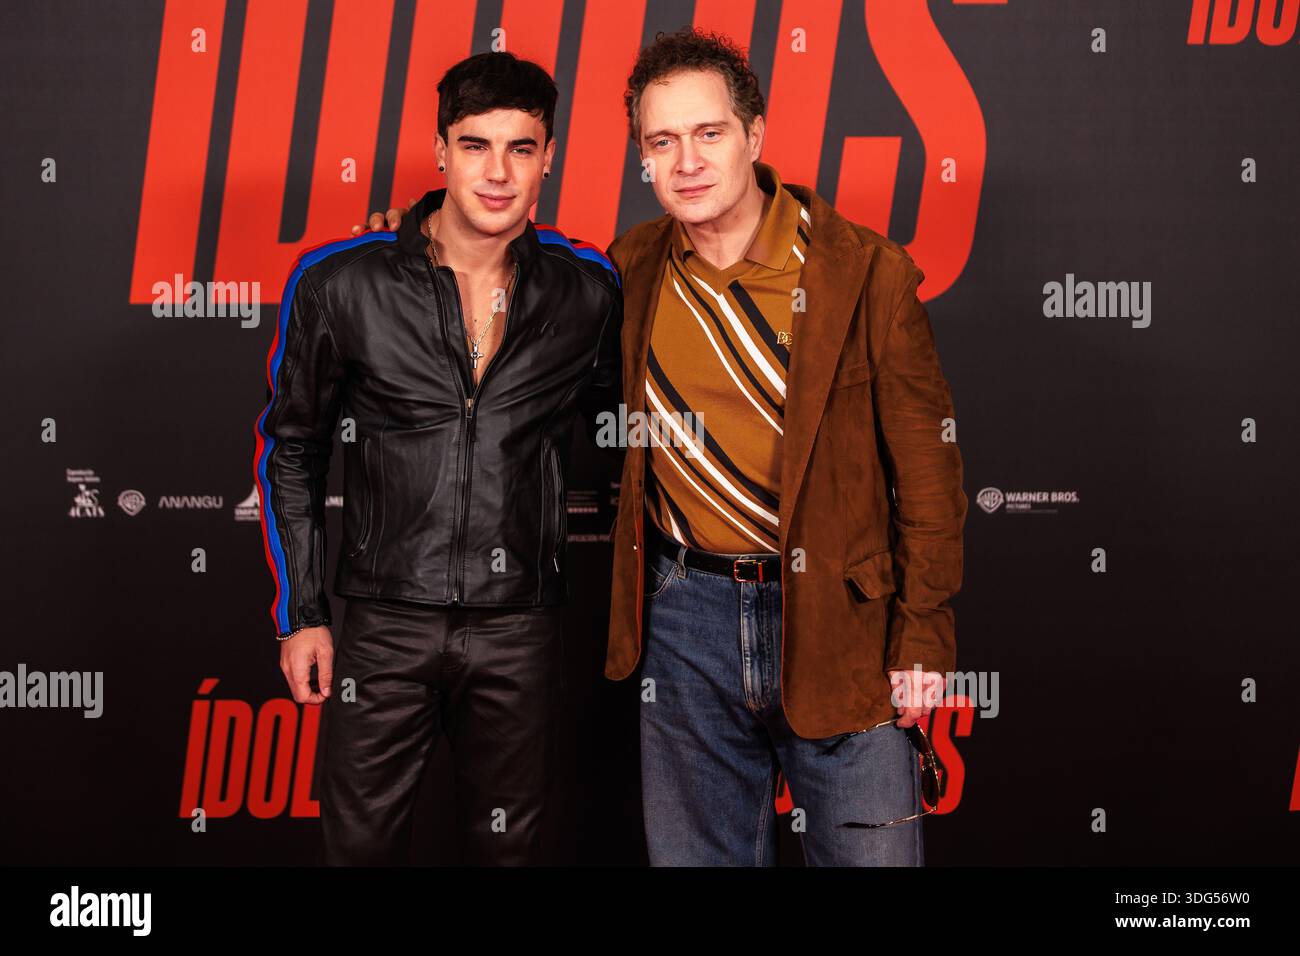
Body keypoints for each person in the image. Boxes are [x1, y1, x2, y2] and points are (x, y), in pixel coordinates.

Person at [359, 28, 966, 867]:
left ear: (754, 136)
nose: (686, 160)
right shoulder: (630, 270)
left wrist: (923, 637)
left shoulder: (865, 275)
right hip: (684, 620)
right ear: (641, 155)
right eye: (661, 141)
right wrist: (407, 250)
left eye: (708, 133)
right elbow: (510, 290)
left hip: (841, 620)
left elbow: (930, 481)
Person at [255, 50, 622, 865]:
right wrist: (304, 613)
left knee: (510, 855)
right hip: (385, 626)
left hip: (520, 627)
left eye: (521, 149)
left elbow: (619, 438)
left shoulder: (588, 289)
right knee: (360, 851)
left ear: (549, 156)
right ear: (441, 150)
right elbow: (294, 449)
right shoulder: (341, 282)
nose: (498, 173)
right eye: (476, 146)